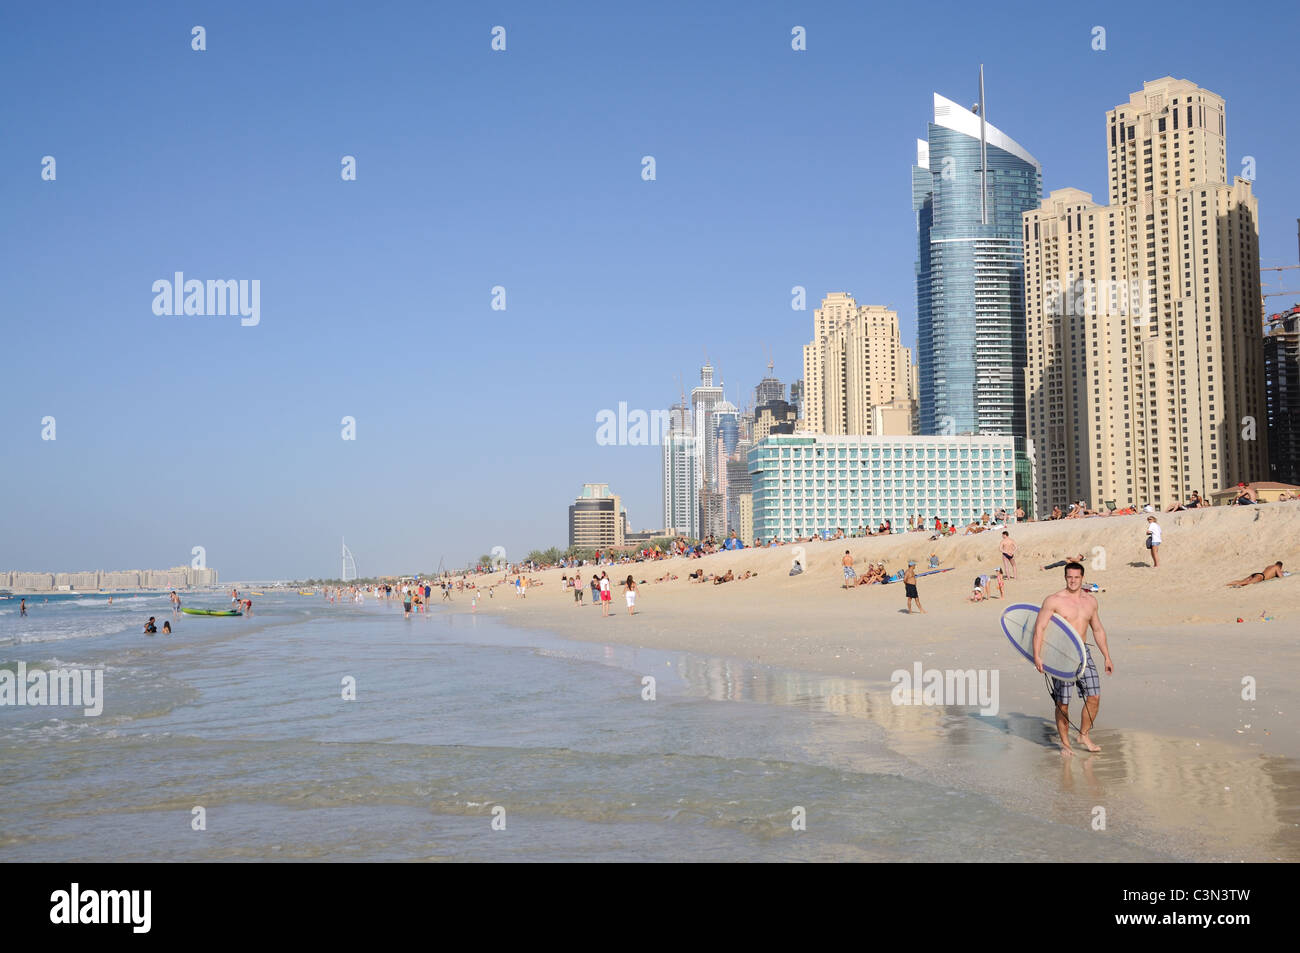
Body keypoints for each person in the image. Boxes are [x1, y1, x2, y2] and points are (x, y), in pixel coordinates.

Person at [1033, 562, 1114, 754]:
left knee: (1094, 697)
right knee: (1063, 703)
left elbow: (1097, 629)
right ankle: (1066, 745)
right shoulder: (1053, 600)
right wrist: (1037, 655)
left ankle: (1083, 734)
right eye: (1069, 577)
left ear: (1082, 578)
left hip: (1083, 654)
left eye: (1077, 577)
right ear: (1065, 577)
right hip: (1060, 655)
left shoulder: (1091, 601)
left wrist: (1107, 657)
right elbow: (1040, 628)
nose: (1073, 580)